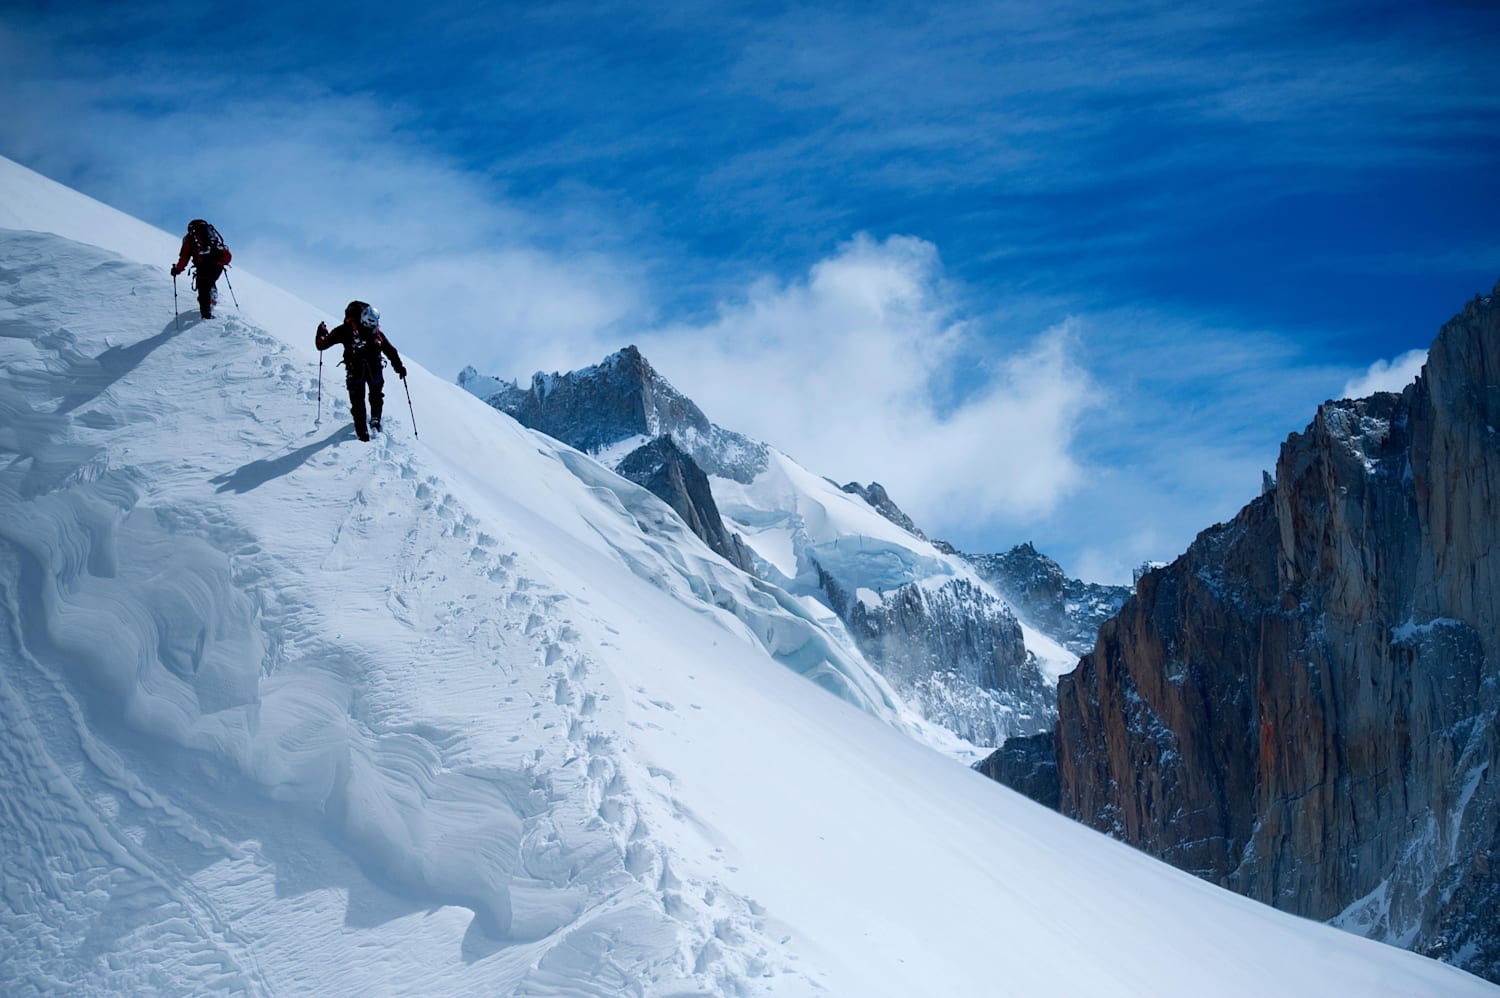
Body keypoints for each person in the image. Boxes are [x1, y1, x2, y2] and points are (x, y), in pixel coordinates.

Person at [316, 301, 407, 441]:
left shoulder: (345, 330)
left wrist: (321, 332)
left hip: (355, 371)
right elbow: (391, 351)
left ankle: (362, 433)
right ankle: (375, 419)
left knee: (358, 402)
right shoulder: (376, 332)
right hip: (375, 370)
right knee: (376, 395)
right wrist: (399, 368)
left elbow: (321, 345)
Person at [170, 219, 232, 319]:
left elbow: (184, 257)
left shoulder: (189, 238)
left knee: (203, 289)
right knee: (210, 281)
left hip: (203, 266)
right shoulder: (212, 235)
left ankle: (206, 315)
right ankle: (212, 296)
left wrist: (177, 269)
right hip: (218, 265)